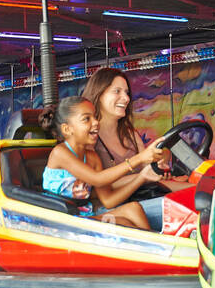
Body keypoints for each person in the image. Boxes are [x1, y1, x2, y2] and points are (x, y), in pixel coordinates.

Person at [83, 68, 188, 230]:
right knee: (188, 207)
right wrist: (142, 176)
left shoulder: (130, 134)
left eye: (126, 92)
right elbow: (99, 190)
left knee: (204, 194)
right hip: (114, 208)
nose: (125, 98)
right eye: (117, 91)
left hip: (141, 196)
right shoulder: (89, 139)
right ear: (98, 95)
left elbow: (149, 172)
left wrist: (161, 160)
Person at [39, 97, 166, 230]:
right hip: (60, 220)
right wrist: (139, 159)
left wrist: (142, 177)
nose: (96, 122)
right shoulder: (60, 153)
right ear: (67, 129)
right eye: (86, 119)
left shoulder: (92, 158)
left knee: (134, 208)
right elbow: (97, 179)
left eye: (95, 117)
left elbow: (108, 200)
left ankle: (154, 248)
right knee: (124, 223)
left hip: (83, 215)